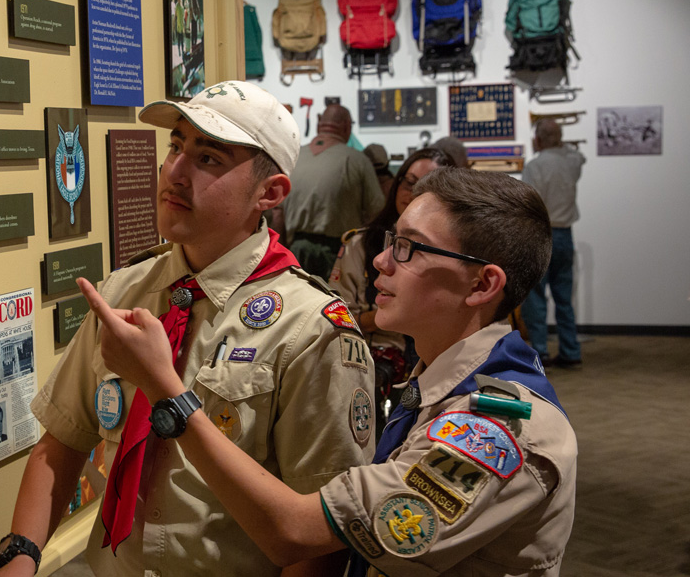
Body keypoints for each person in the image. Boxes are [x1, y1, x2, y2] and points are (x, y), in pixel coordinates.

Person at [80, 167, 577, 576]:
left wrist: (167, 392)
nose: (382, 260)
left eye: (410, 248)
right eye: (390, 239)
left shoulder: (495, 429)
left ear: (482, 284)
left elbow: (293, 532)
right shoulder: (435, 388)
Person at [0, 81, 375, 577]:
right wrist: (19, 557)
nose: (174, 172)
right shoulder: (123, 292)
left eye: (209, 159)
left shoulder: (309, 329)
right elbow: (64, 438)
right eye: (175, 147)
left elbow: (319, 537)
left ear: (270, 192)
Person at [329, 148, 457, 437]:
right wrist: (395, 313)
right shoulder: (362, 244)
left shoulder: (458, 256)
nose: (413, 194)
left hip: (439, 364)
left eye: (428, 186)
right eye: (409, 182)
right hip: (378, 362)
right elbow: (337, 317)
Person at [280, 104, 384, 277]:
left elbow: (277, 214)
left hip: (296, 250)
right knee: (335, 302)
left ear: (319, 123)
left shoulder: (294, 157)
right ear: (346, 127)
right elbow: (377, 211)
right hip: (339, 251)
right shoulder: (357, 160)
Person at [521, 119, 586, 367]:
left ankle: (540, 352)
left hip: (541, 233)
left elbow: (530, 204)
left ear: (538, 139)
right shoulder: (571, 162)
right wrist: (562, 143)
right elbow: (579, 156)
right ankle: (570, 350)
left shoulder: (536, 166)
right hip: (565, 235)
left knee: (536, 298)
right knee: (564, 298)